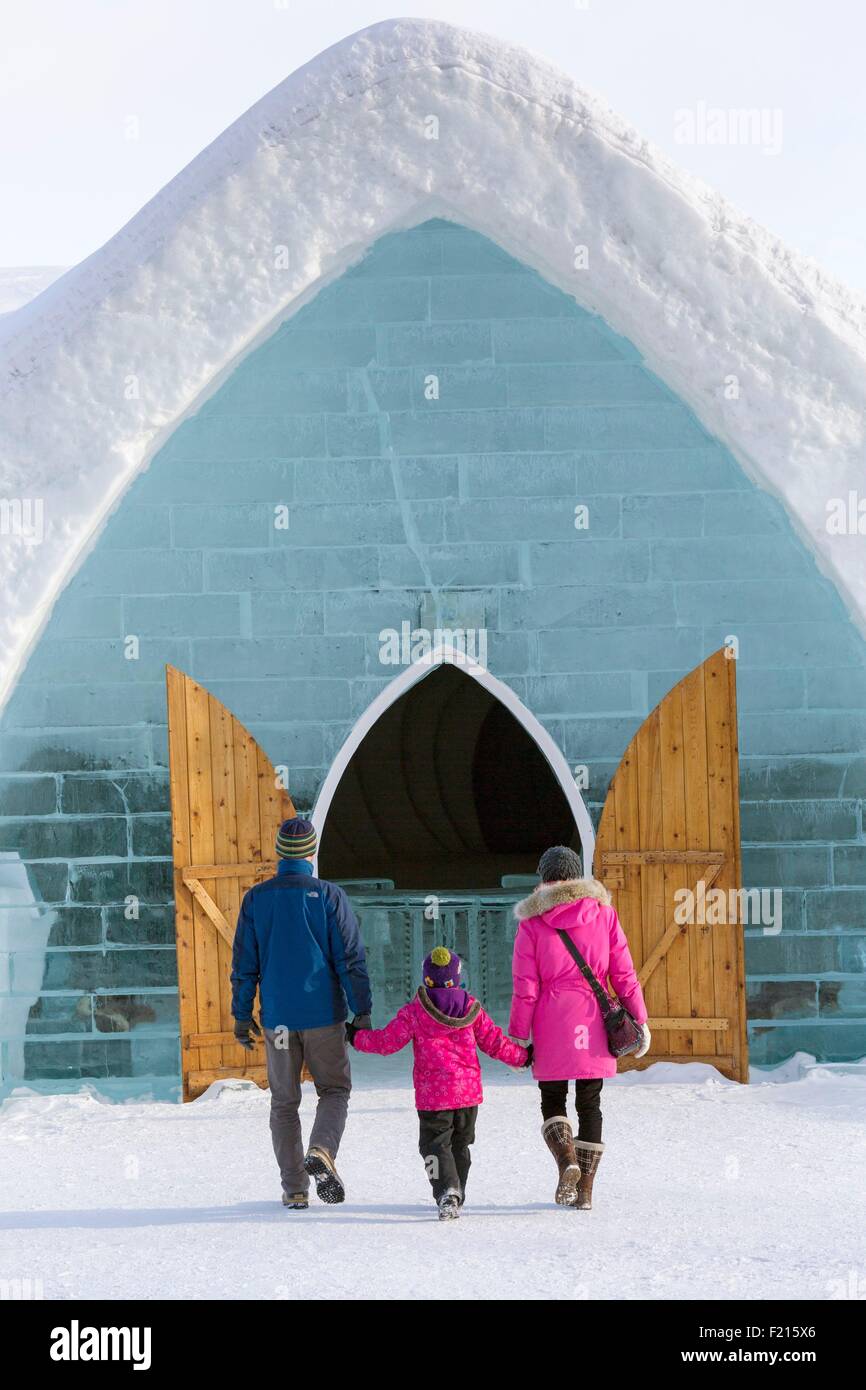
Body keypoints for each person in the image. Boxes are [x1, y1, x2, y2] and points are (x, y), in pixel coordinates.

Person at [230, 816, 372, 1209]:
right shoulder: (329, 897)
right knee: (335, 1089)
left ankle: (294, 1188)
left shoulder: (256, 899)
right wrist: (361, 1012)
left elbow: (244, 965)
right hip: (324, 1017)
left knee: (283, 1102)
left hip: (277, 1020)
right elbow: (350, 959)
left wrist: (242, 1015)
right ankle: (322, 1150)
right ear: (312, 852)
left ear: (280, 852)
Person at [510, 846, 650, 1210]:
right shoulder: (604, 914)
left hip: (550, 1019)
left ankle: (565, 1160)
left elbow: (525, 987)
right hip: (594, 1019)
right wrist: (641, 1019)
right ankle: (585, 1189)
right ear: (578, 877)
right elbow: (623, 974)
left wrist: (517, 1035)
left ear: (543, 879)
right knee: (591, 1103)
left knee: (552, 1098)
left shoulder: (532, 923)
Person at [348, 946, 531, 1220]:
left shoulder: (415, 1012)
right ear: (457, 979)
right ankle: (455, 1192)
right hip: (468, 1094)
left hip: (434, 1097)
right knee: (460, 1144)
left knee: (434, 1146)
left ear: (427, 979)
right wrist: (523, 1057)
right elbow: (495, 1042)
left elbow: (387, 1042)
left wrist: (355, 1037)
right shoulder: (471, 1009)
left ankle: (447, 1191)